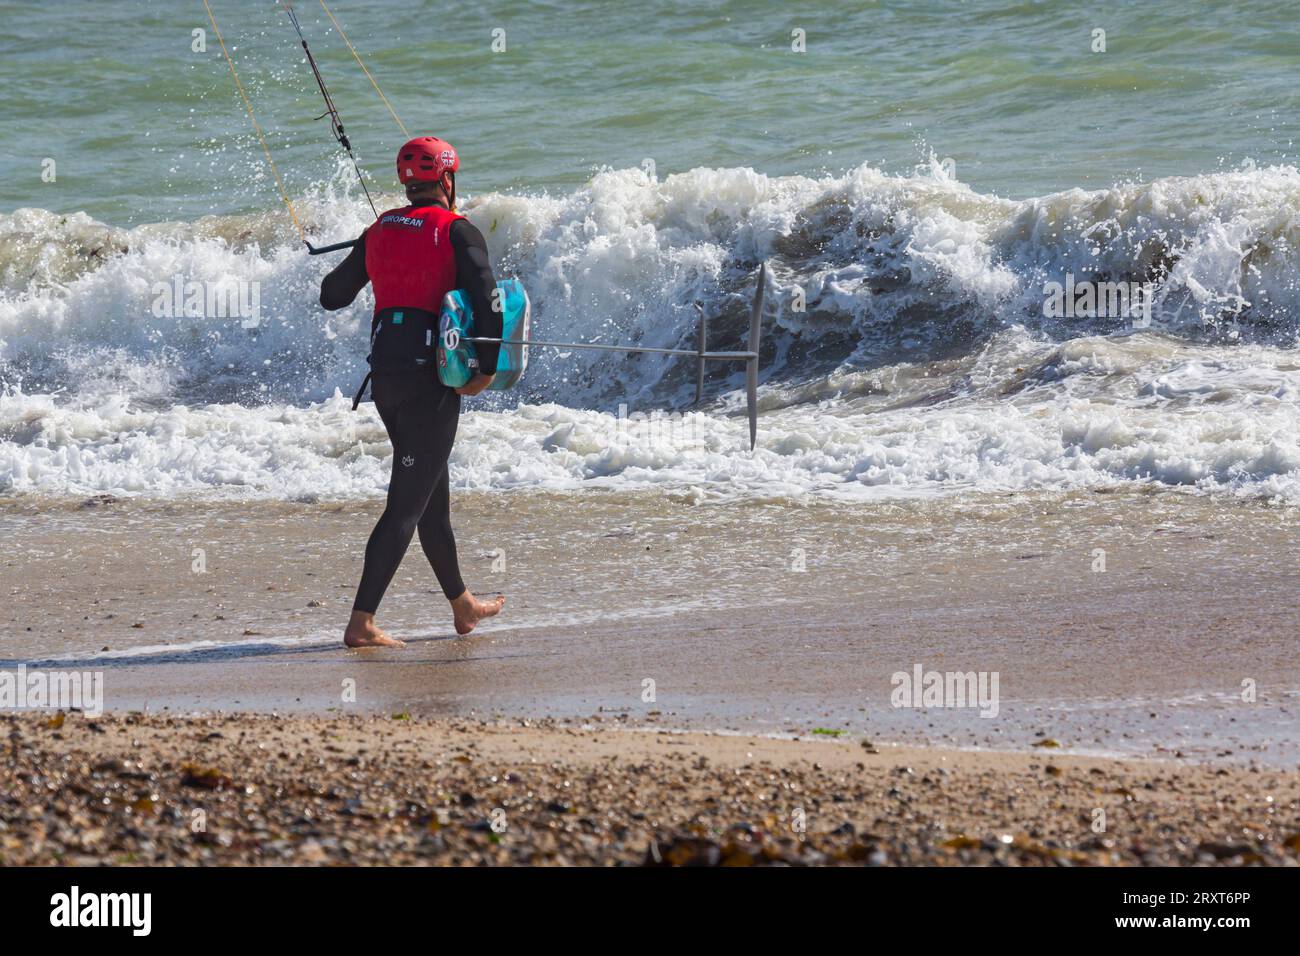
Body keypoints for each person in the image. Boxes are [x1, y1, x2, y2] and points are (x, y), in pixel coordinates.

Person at [319, 136, 505, 648]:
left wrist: (375, 252)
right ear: (447, 180)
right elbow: (490, 299)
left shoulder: (378, 229)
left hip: (387, 380)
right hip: (431, 382)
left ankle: (462, 605)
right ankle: (361, 622)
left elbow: (332, 296)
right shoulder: (458, 230)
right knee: (405, 505)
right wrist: (486, 369)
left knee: (429, 498)